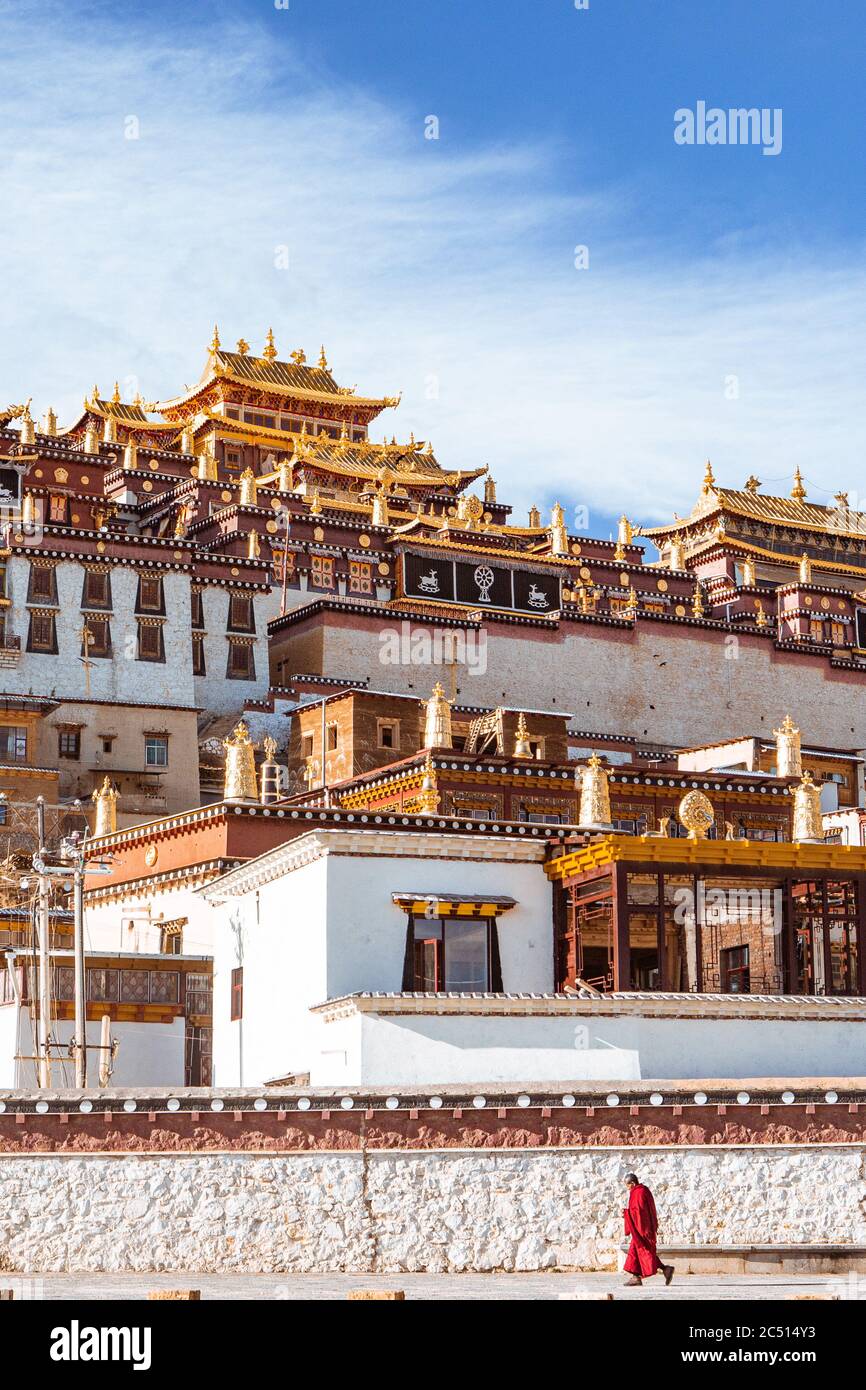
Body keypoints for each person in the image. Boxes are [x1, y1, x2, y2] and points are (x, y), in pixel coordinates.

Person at [622, 1173, 674, 1287]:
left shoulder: (639, 1192)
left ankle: (664, 1269)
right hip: (643, 1228)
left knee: (643, 1253)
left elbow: (639, 1211)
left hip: (643, 1229)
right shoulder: (643, 1190)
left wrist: (626, 1213)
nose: (627, 1188)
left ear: (633, 1183)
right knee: (638, 1253)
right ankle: (662, 1270)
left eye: (627, 1185)